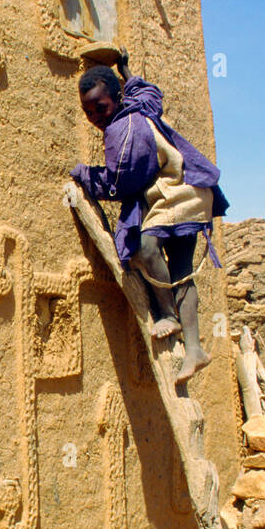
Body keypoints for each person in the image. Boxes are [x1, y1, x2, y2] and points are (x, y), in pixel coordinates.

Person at [70, 50, 228, 384]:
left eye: (100, 107)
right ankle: (195, 349)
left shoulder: (121, 129)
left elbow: (121, 182)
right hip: (194, 190)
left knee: (145, 248)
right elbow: (150, 91)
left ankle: (168, 314)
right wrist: (127, 71)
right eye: (87, 111)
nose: (95, 116)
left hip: (176, 193)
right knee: (182, 270)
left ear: (116, 98)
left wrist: (85, 174)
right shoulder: (138, 105)